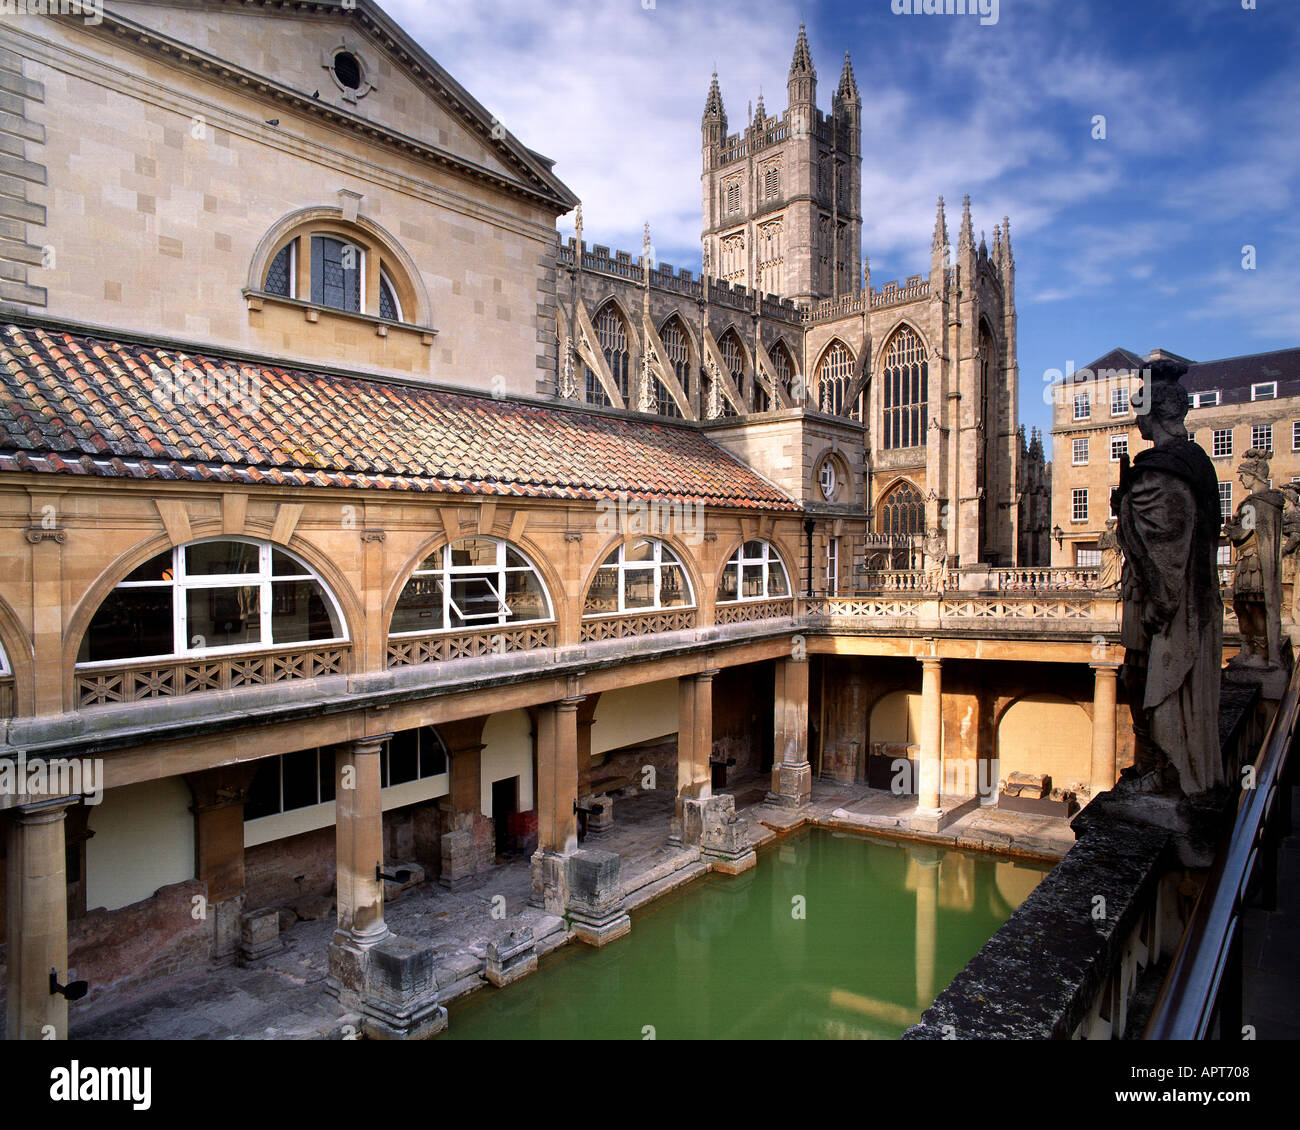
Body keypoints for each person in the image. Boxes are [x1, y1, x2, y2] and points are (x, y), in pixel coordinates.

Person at [1112, 359, 1224, 794]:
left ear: (1151, 412)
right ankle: (1156, 765)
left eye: (1137, 409)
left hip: (1162, 601)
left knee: (1143, 679)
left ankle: (1164, 769)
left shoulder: (1162, 468)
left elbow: (1160, 543)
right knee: (1136, 673)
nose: (1134, 418)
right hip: (1187, 598)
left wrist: (1125, 505)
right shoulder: (1196, 461)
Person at [1222, 449, 1284, 669]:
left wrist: (1231, 529)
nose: (1240, 478)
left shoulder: (1255, 503)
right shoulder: (1268, 504)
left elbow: (1242, 533)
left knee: (1252, 606)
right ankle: (1250, 650)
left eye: (1243, 474)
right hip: (1249, 562)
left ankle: (1258, 652)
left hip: (1253, 563)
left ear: (1254, 476)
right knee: (1243, 606)